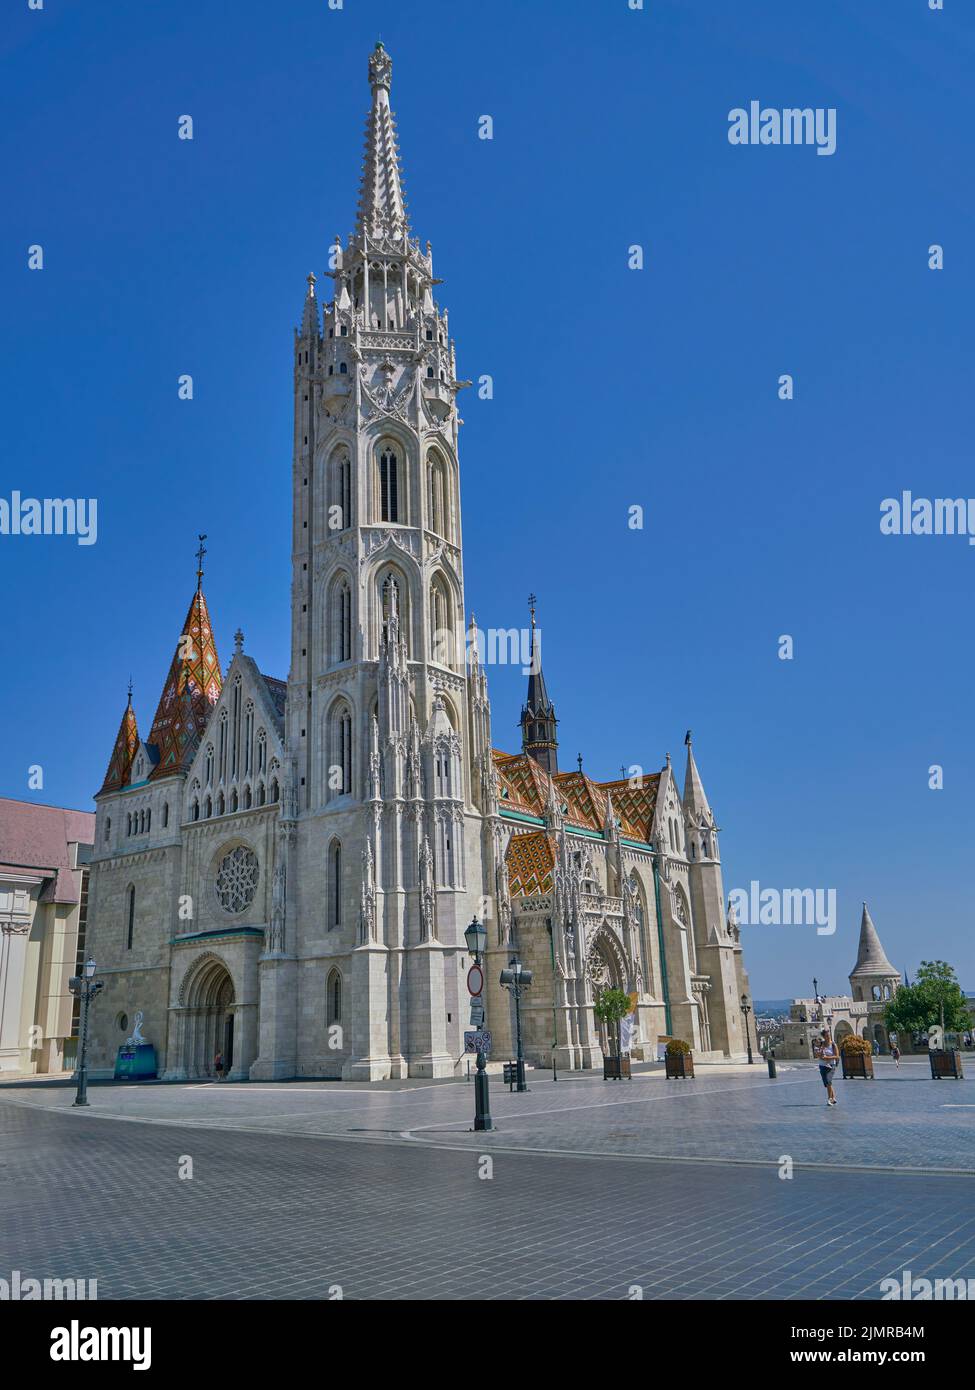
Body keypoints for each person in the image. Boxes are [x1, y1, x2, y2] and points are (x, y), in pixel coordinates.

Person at [816, 1029, 838, 1106]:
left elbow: (837, 1056)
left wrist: (827, 1058)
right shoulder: (821, 1044)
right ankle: (834, 1097)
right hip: (822, 1065)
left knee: (828, 1081)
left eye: (829, 1035)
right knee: (827, 1083)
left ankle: (829, 1099)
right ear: (824, 1036)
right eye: (826, 1035)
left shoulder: (833, 1044)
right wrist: (821, 1052)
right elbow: (818, 1055)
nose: (828, 1036)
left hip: (831, 1065)